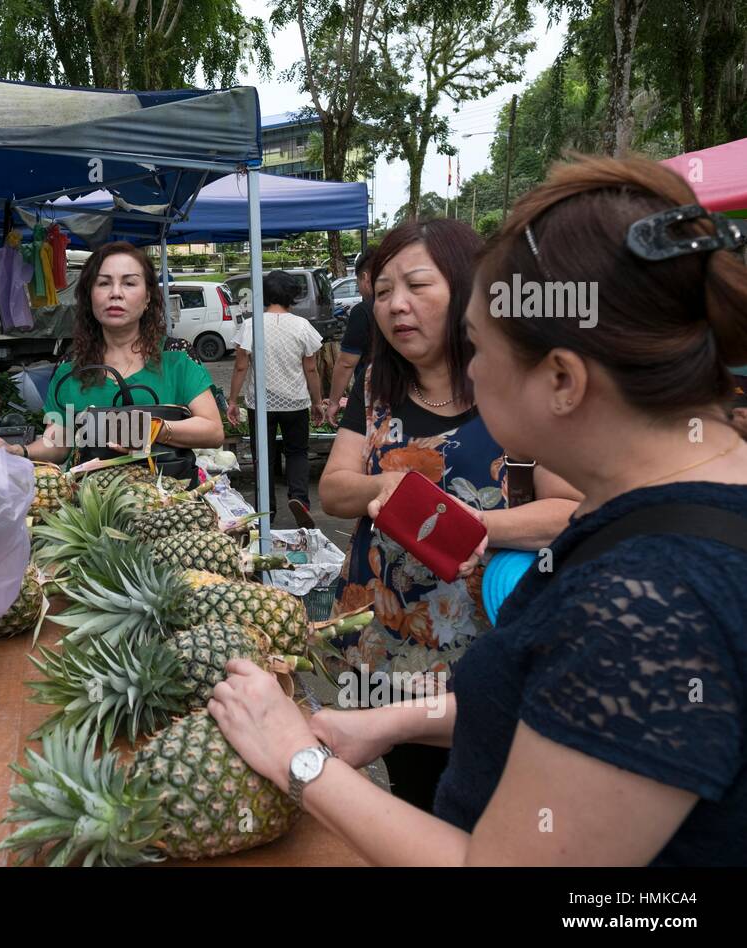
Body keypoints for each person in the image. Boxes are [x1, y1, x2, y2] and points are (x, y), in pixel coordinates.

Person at [208, 154, 747, 866]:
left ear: (562, 380)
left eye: (484, 348)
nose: (474, 369)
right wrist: (396, 721)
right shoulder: (659, 515)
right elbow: (567, 705)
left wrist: (296, 760)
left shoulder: (651, 596)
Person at [314, 217, 580, 811]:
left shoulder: (519, 389)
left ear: (464, 288)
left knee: (486, 808)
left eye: (416, 285)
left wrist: (466, 521)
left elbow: (575, 512)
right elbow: (334, 490)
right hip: (384, 638)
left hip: (483, 640)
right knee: (410, 792)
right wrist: (388, 484)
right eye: (382, 292)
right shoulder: (374, 388)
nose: (395, 305)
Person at [0, 241, 224, 463]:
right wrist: (20, 452)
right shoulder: (70, 367)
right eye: (104, 283)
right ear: (90, 296)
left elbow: (213, 431)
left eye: (129, 283)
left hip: (164, 500)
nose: (115, 293)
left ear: (148, 296)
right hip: (90, 504)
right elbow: (57, 441)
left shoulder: (176, 356)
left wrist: (153, 429)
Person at [226, 270, 324, 522]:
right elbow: (311, 368)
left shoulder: (250, 325)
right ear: (293, 296)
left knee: (263, 457)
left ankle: (265, 510)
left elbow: (240, 367)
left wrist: (232, 401)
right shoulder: (303, 326)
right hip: (296, 401)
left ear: (264, 295)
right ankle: (300, 499)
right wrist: (317, 402)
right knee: (297, 453)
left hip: (261, 402)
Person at [322, 246, 376, 423]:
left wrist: (334, 402)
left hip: (374, 397)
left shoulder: (364, 311)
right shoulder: (407, 306)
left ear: (365, 278)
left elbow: (346, 362)